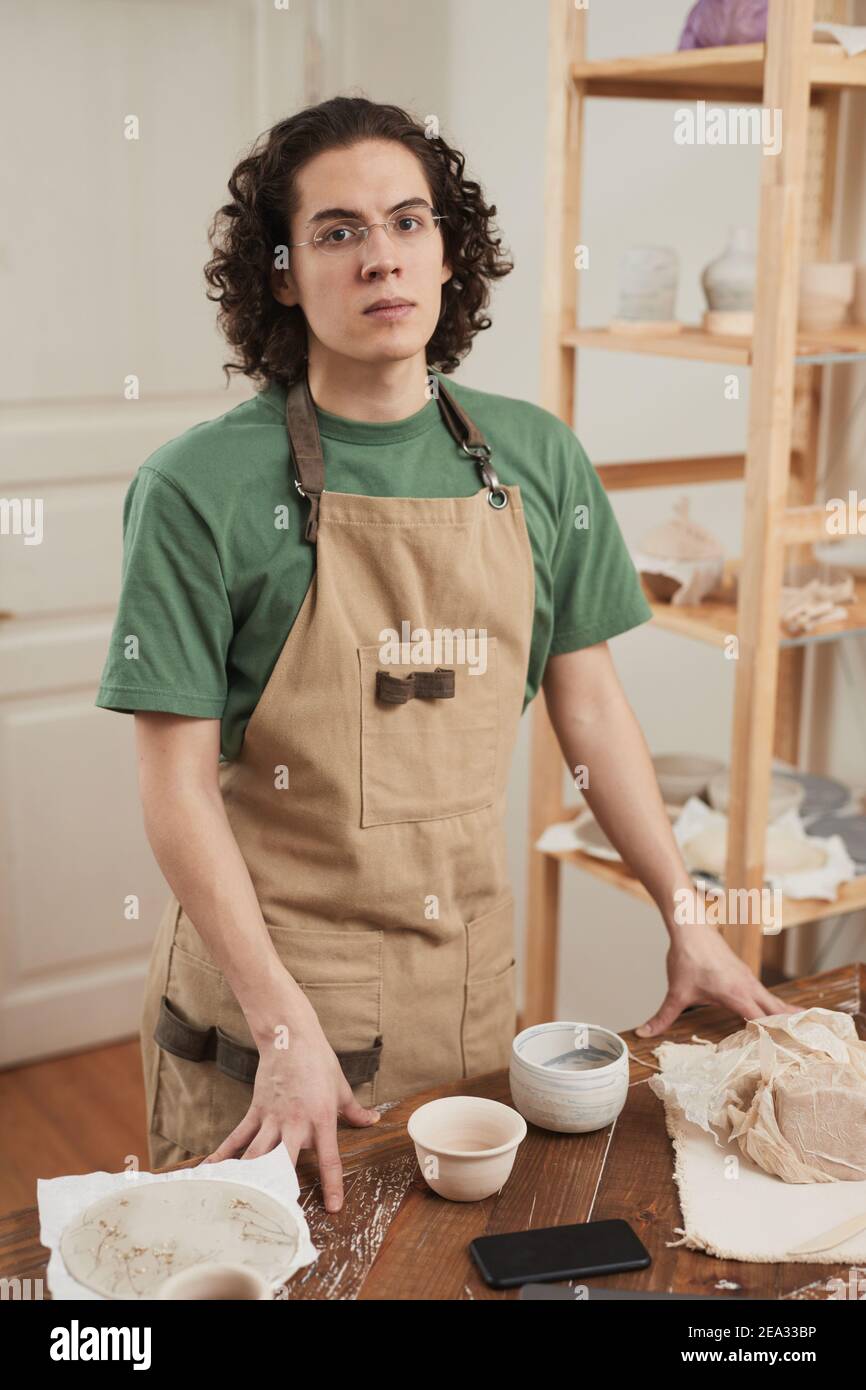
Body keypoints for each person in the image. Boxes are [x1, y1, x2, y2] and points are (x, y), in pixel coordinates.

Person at [96, 95, 794, 1212]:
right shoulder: (198, 490)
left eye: (408, 221)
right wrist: (282, 1025)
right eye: (337, 232)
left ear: (446, 248)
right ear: (280, 274)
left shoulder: (535, 457)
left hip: (465, 991)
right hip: (274, 1007)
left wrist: (685, 915)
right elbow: (175, 787)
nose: (381, 257)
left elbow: (593, 712)